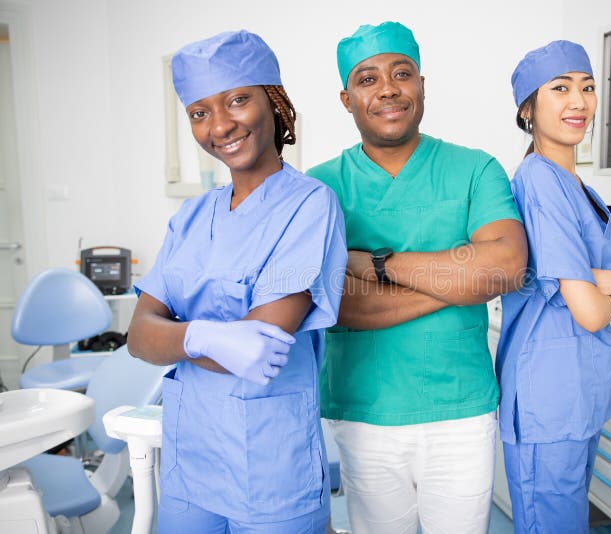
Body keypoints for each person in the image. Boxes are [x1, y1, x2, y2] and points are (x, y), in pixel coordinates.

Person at [306, 21, 528, 534]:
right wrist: (461, 280)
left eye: (401, 73)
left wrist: (377, 266)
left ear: (421, 85)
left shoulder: (474, 169)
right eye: (367, 79)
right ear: (346, 98)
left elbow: (507, 267)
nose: (387, 88)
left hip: (461, 410)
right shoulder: (318, 188)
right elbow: (334, 304)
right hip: (365, 410)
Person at [127, 30, 347, 534]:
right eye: (199, 112)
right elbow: (137, 337)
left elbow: (261, 345)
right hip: (189, 458)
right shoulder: (190, 215)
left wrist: (176, 333)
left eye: (237, 100)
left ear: (273, 100)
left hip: (270, 463)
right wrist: (207, 337)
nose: (220, 125)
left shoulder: (311, 206)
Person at [496, 40, 611, 533]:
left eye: (586, 87)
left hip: (581, 394)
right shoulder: (538, 181)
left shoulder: (586, 191)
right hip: (549, 396)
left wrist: (608, 279)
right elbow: (592, 313)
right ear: (528, 108)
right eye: (560, 89)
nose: (578, 102)